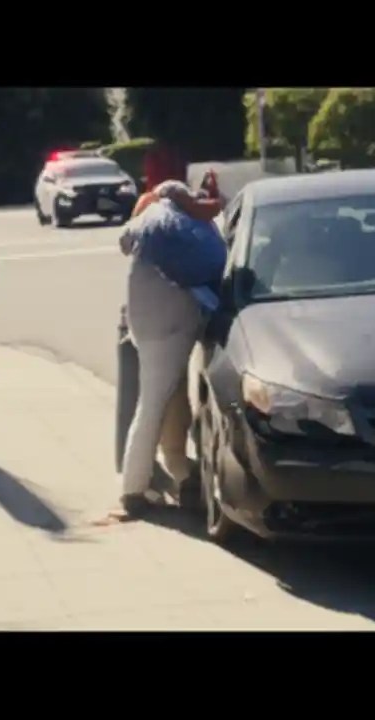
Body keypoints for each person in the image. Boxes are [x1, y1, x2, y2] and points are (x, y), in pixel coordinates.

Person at [113, 180, 225, 518]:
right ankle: (133, 490)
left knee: (164, 399)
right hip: (171, 329)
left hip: (144, 328)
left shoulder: (146, 231)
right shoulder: (179, 232)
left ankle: (179, 472)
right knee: (153, 405)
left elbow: (125, 243)